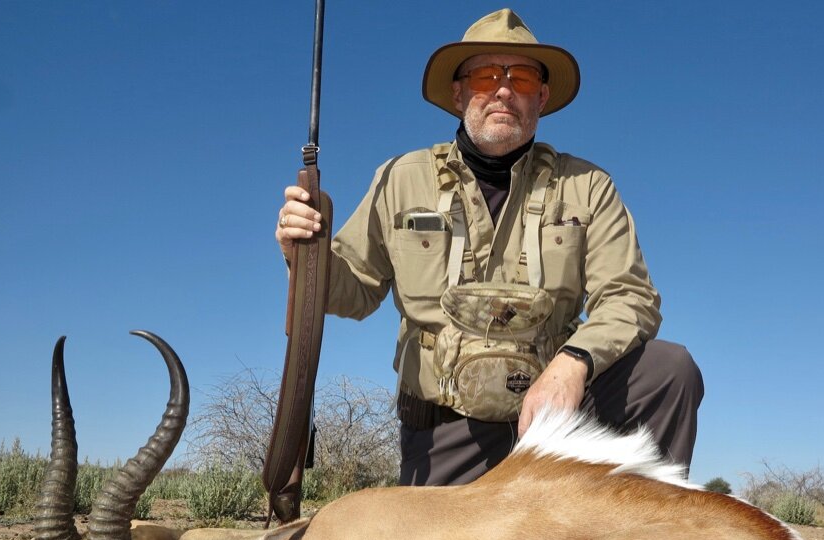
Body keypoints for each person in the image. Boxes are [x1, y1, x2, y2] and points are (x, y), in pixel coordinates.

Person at [275, 9, 703, 486]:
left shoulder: (589, 185)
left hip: (555, 418)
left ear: (540, 97)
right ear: (459, 94)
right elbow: (351, 290)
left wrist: (573, 363)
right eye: (485, 75)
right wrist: (305, 253)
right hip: (444, 429)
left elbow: (630, 298)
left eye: (521, 77)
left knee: (671, 370)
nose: (503, 89)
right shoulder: (400, 177)